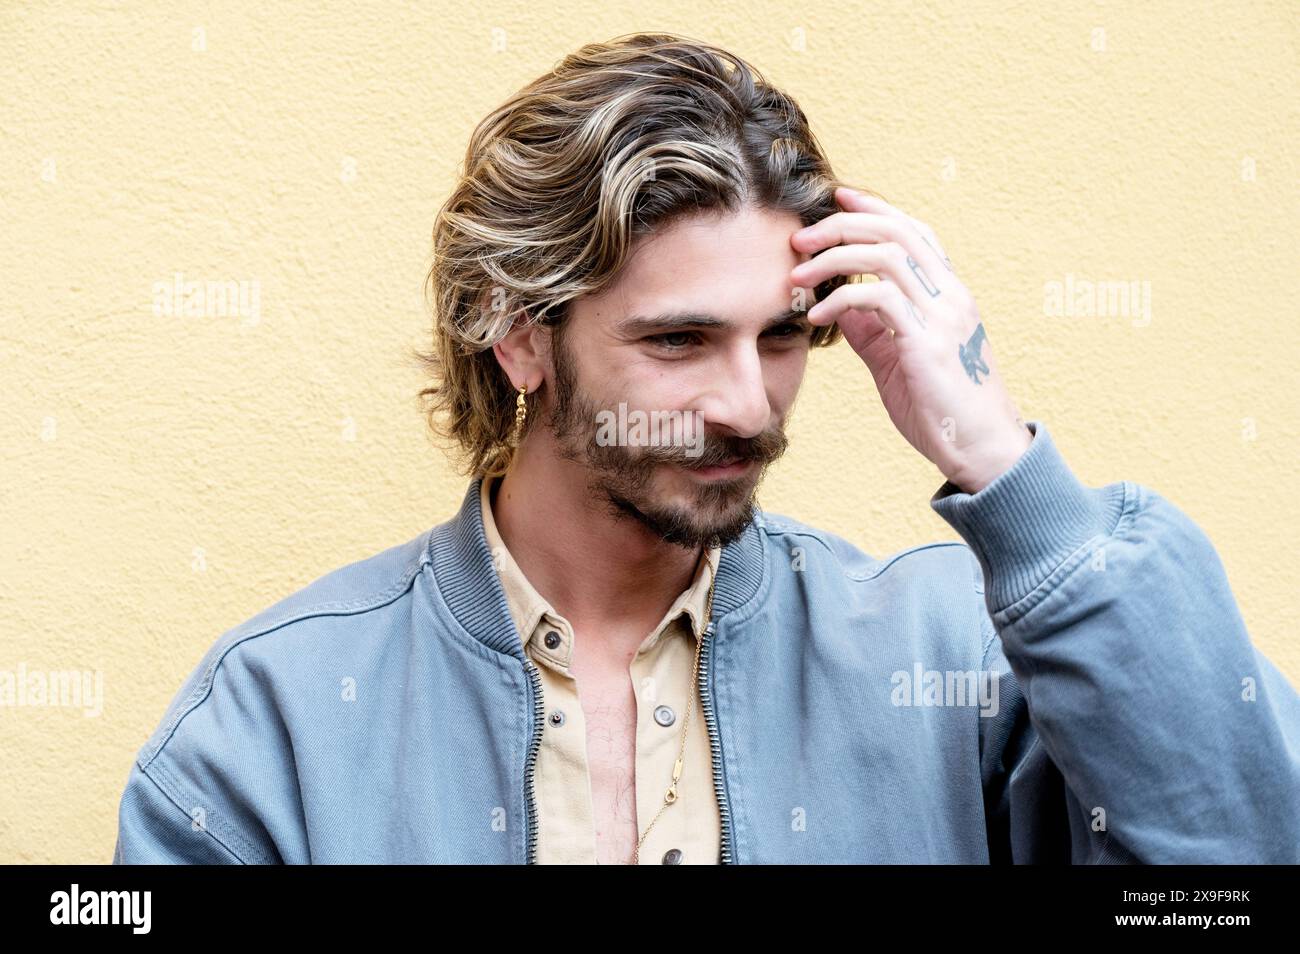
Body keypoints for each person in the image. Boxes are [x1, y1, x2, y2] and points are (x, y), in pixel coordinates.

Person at [113, 32, 1300, 865]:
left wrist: (997, 458)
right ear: (516, 335)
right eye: (678, 340)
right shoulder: (278, 717)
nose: (748, 405)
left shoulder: (956, 661)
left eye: (784, 337)